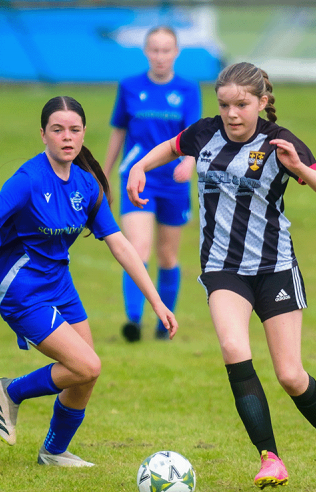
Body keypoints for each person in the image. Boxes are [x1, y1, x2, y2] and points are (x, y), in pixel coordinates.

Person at [0, 96, 178, 467]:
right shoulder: (28, 180)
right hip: (21, 289)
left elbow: (121, 245)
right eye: (57, 130)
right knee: (87, 365)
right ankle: (10, 391)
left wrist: (156, 302)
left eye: (74, 130)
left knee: (85, 374)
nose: (66, 137)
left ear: (84, 134)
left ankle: (53, 453)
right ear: (43, 135)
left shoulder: (86, 185)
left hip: (59, 284)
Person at [127, 63, 316, 489]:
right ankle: (270, 457)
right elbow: (172, 147)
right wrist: (140, 167)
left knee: (290, 375)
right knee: (233, 348)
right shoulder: (204, 132)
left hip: (275, 267)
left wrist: (299, 167)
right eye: (225, 104)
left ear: (262, 102)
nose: (232, 114)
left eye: (242, 105)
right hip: (223, 268)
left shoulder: (280, 142)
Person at [103, 25, 201, 342]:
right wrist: (105, 172)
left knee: (167, 256)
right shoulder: (130, 86)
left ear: (176, 53)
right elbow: (119, 130)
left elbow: (193, 136)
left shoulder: (188, 89)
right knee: (138, 248)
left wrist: (189, 162)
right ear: (146, 52)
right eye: (154, 50)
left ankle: (164, 325)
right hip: (136, 177)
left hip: (173, 182)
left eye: (166, 50)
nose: (160, 56)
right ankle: (133, 320)